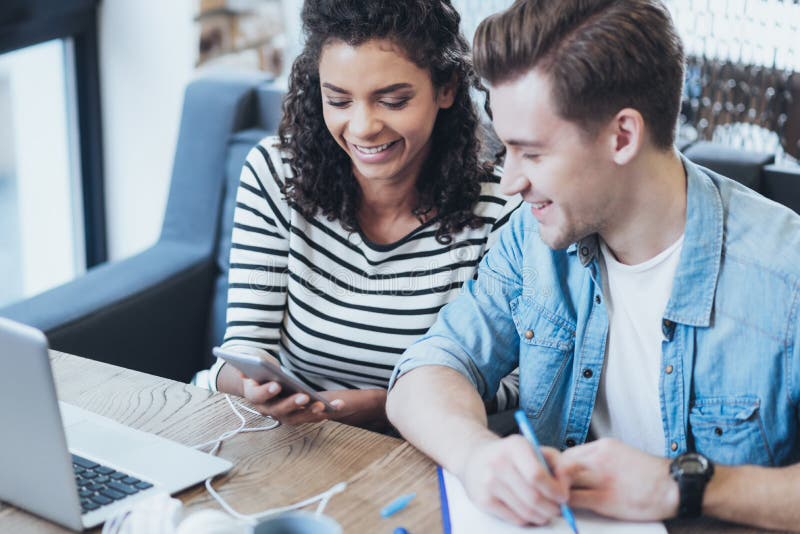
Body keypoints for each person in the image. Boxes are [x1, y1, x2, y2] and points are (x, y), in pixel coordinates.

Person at [386, 0, 800, 531]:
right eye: (506, 149)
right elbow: (427, 368)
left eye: (532, 153)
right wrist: (476, 455)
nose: (509, 181)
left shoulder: (784, 275)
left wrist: (684, 486)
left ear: (622, 137)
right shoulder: (532, 239)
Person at [199, 0, 523, 431]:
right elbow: (241, 346)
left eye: (393, 101)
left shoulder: (503, 206)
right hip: (289, 434)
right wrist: (252, 384)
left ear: (445, 88)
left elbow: (519, 383)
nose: (363, 126)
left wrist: (391, 406)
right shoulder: (277, 174)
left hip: (422, 442)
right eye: (338, 100)